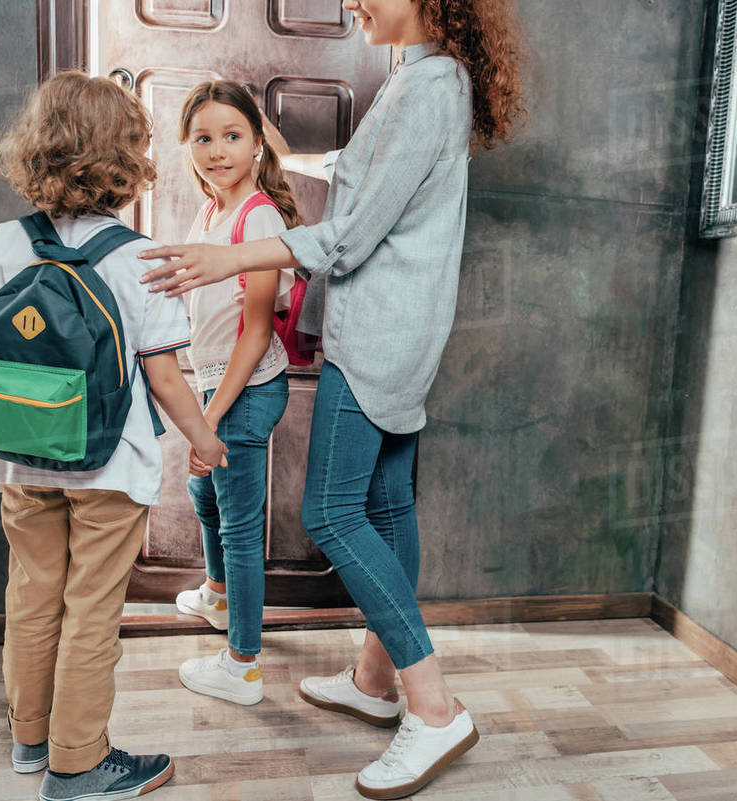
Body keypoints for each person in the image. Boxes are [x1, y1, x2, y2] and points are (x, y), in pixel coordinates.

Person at [139, 0, 524, 796]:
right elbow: (361, 173)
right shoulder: (417, 79)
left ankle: (435, 706)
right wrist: (290, 153)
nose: (353, 1)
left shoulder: (430, 87)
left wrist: (227, 257)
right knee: (386, 505)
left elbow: (350, 236)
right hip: (390, 328)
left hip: (379, 334)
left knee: (332, 513)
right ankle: (378, 683)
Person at [0, 71, 227, 801]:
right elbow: (166, 377)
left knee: (33, 594)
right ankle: (79, 764)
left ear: (37, 148)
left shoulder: (3, 243)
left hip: (18, 459)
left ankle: (31, 738)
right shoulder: (140, 256)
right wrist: (204, 439)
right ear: (126, 159)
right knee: (91, 609)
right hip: (111, 465)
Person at [170, 80, 298, 706]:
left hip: (245, 389)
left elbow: (253, 334)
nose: (217, 149)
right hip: (216, 383)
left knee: (240, 526)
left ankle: (242, 664)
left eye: (232, 135)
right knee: (203, 491)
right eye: (203, 137)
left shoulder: (259, 217)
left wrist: (208, 422)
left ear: (255, 144)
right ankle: (219, 598)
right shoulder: (211, 209)